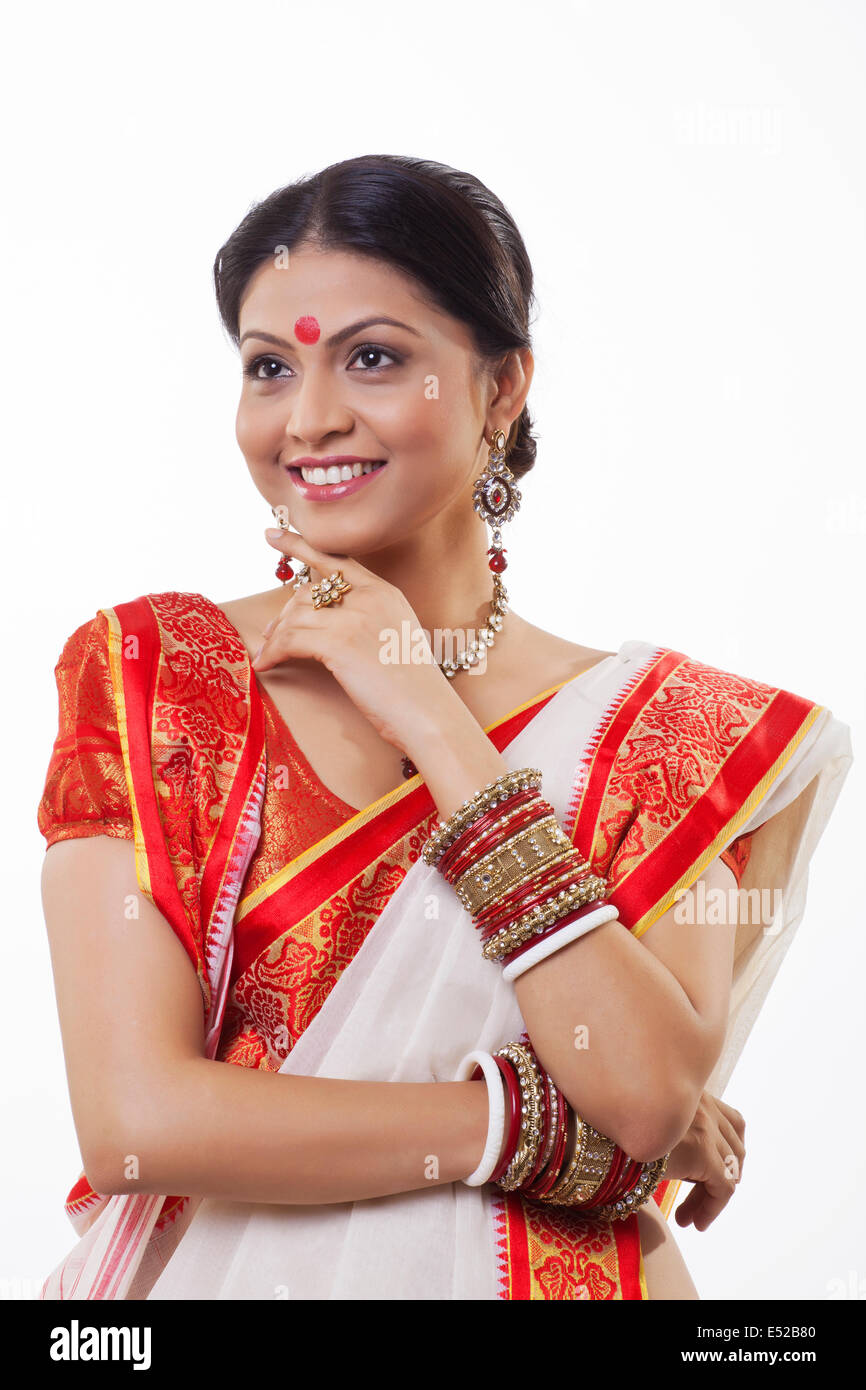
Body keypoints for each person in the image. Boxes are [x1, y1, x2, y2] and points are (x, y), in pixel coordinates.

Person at [36, 154, 852, 1301]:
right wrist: (520, 1126)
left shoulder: (673, 734)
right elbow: (139, 1120)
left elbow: (643, 1098)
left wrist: (430, 715)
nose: (308, 418)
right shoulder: (158, 676)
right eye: (268, 366)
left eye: (372, 357)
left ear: (502, 386)